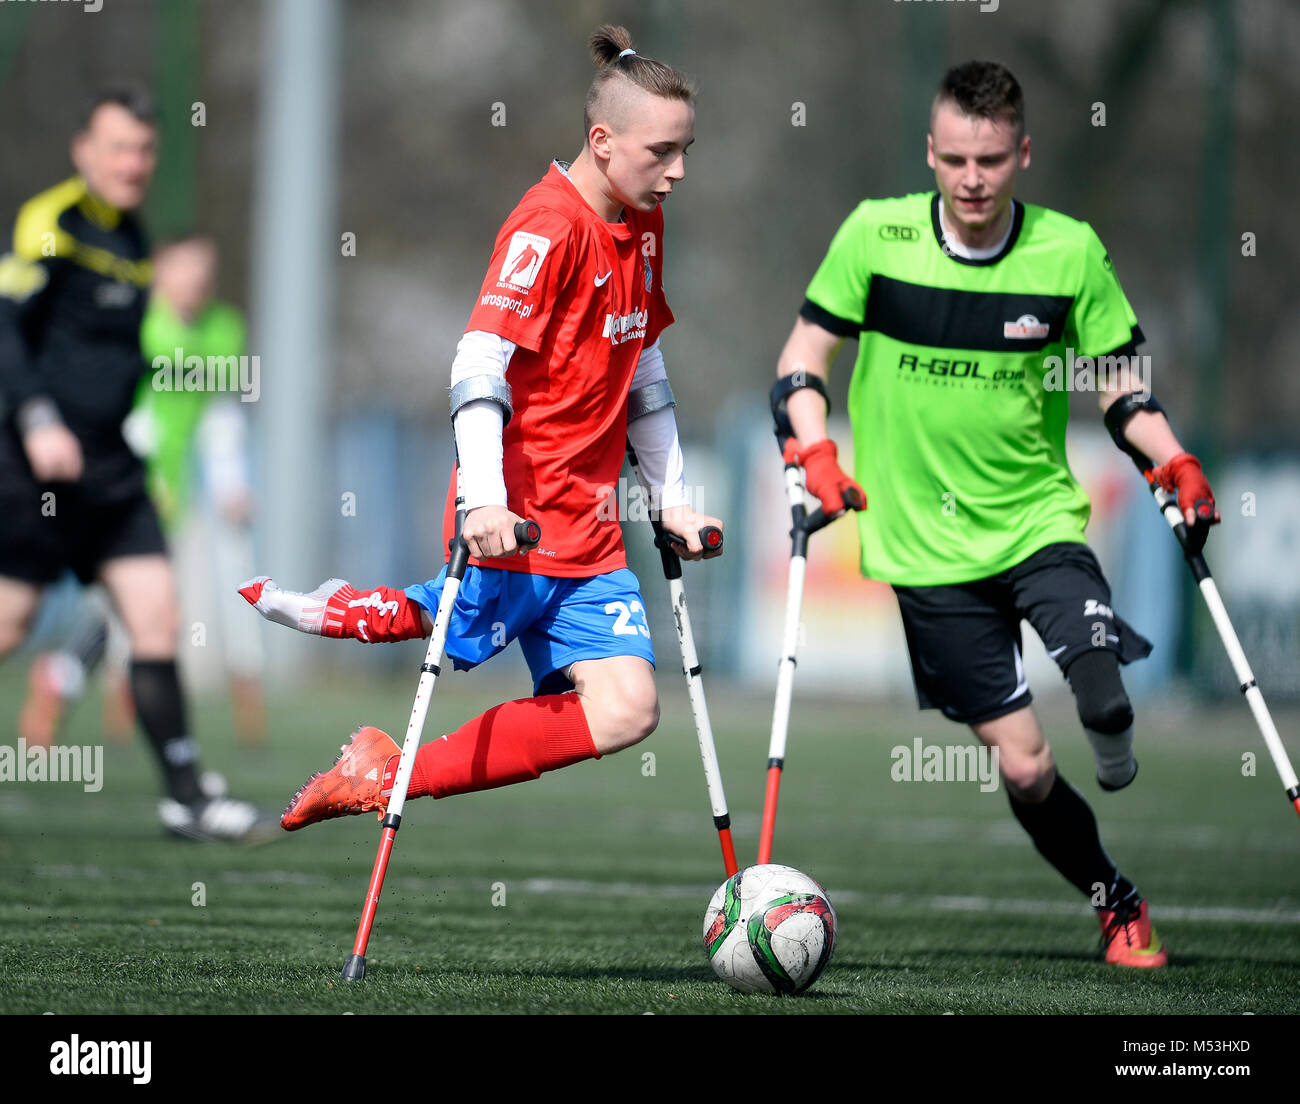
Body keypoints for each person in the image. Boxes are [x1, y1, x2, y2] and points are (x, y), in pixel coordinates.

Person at [772, 60, 1220, 968]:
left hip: (1036, 522)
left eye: (992, 160)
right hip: (922, 548)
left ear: (1023, 154)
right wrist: (814, 449)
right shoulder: (874, 236)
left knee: (1099, 687)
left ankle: (1112, 719)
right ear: (931, 153)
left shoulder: (1069, 251)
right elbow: (802, 358)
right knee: (1022, 765)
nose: (973, 180)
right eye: (956, 160)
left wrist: (1170, 458)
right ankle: (1117, 901)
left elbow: (1120, 387)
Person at [241, 25, 721, 828]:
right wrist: (484, 503)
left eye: (686, 149)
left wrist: (673, 500)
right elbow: (476, 363)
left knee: (630, 710)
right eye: (662, 151)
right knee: (439, 623)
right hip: (520, 517)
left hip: (595, 528)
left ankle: (384, 773)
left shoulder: (644, 220)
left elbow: (643, 361)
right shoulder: (548, 227)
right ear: (603, 143)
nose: (678, 171)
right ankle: (335, 615)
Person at [0, 88, 270, 841]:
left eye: (145, 150)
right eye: (118, 147)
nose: (132, 163)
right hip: (37, 466)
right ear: (84, 150)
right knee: (11, 622)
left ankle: (186, 793)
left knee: (155, 613)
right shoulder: (52, 224)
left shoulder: (135, 239)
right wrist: (37, 417)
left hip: (113, 470)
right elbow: (8, 331)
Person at [18, 232, 267, 749]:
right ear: (159, 270)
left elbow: (218, 414)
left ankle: (74, 680)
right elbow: (120, 405)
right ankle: (71, 681)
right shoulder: (133, 324)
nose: (194, 282)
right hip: (119, 481)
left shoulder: (223, 330)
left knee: (148, 607)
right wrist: (138, 476)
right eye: (183, 269)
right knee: (118, 604)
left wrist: (231, 483)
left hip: (179, 489)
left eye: (205, 272)